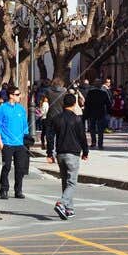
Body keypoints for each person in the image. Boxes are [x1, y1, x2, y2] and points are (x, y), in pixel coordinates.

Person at [46, 90, 90, 220]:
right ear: (75, 104)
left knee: (65, 181)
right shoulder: (77, 119)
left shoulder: (56, 118)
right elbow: (82, 137)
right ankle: (62, 203)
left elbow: (50, 136)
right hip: (73, 153)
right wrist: (86, 151)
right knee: (72, 182)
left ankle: (69, 209)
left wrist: (50, 152)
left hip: (60, 153)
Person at [82, 78, 110, 149]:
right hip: (101, 112)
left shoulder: (90, 93)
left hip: (92, 112)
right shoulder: (104, 93)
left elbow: (86, 103)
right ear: (100, 85)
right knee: (100, 129)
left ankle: (93, 142)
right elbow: (108, 103)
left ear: (94, 85)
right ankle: (100, 144)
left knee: (92, 128)